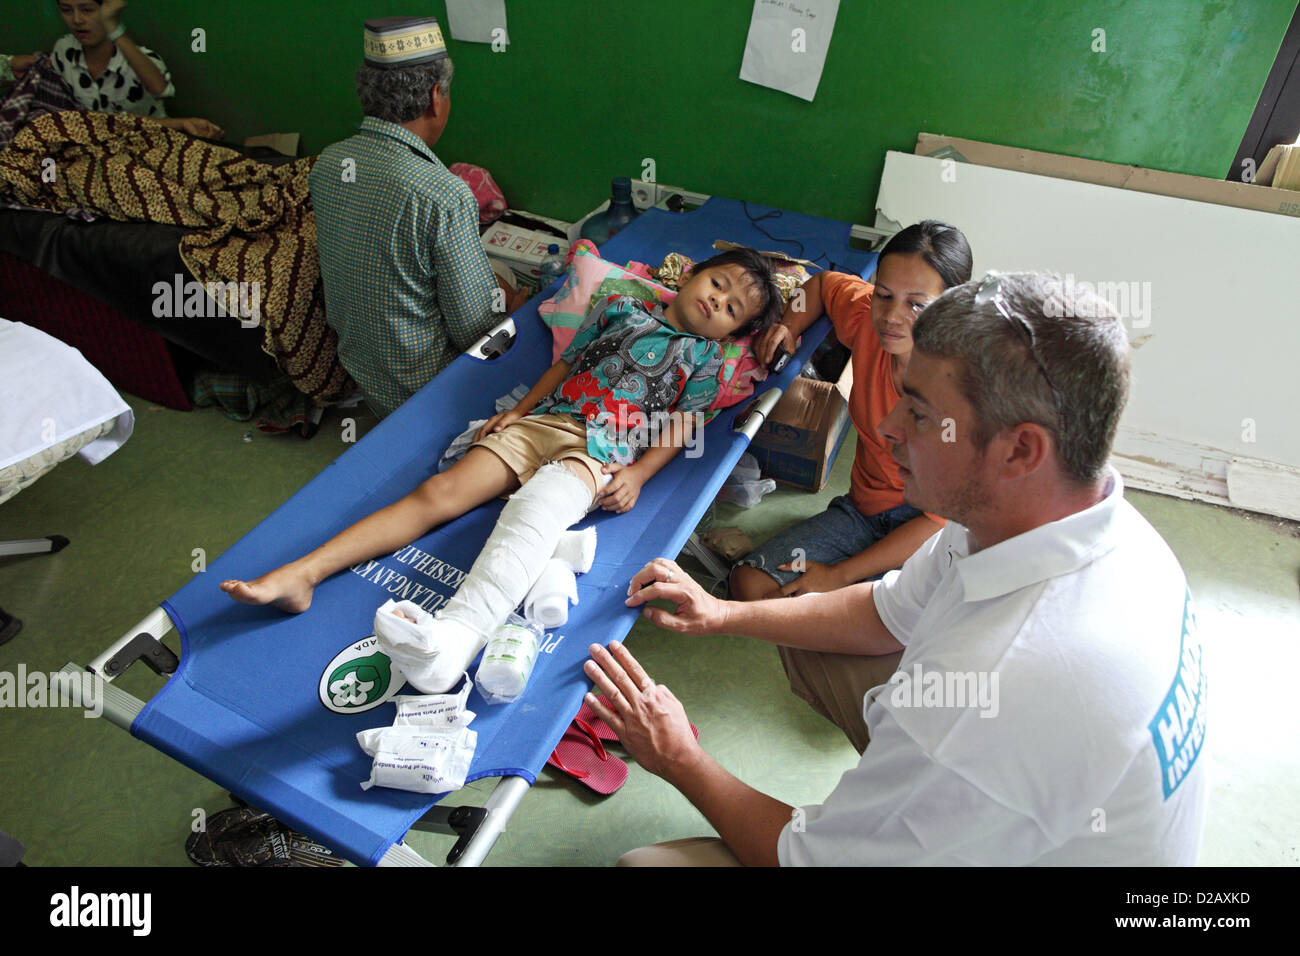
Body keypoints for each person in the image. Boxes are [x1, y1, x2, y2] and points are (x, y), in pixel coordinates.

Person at [589, 271, 1208, 866]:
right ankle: (897, 820)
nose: (884, 429)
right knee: (793, 621)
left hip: (987, 766)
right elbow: (885, 611)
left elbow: (802, 862)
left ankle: (892, 824)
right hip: (1004, 795)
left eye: (917, 412)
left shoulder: (998, 695)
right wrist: (725, 614)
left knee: (646, 865)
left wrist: (677, 754)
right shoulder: (1081, 520)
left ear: (1020, 450)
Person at [222, 248, 786, 694]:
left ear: (733, 333)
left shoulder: (709, 361)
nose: (720, 302)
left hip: (599, 452)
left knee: (535, 514)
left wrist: (638, 475)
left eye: (734, 309)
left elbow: (684, 425)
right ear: (690, 276)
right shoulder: (619, 305)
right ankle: (305, 573)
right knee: (438, 493)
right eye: (718, 284)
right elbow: (564, 362)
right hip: (544, 420)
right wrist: (518, 411)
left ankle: (454, 642)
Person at [731, 221, 972, 603]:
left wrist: (839, 575)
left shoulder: (963, 395)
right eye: (885, 295)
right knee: (750, 585)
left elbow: (938, 521)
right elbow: (824, 284)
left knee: (888, 623)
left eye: (916, 304)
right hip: (861, 513)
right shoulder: (869, 323)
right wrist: (788, 325)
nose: (891, 316)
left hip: (927, 536)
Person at [309, 15, 525, 417]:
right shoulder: (442, 194)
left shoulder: (329, 163)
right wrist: (515, 310)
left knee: (482, 275)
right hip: (428, 392)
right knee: (515, 293)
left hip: (369, 378)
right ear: (435, 97)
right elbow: (477, 334)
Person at [6, 0, 223, 139]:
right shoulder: (64, 50)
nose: (77, 20)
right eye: (66, 10)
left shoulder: (138, 60)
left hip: (144, 141)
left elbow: (160, 89)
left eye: (88, 10)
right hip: (93, 145)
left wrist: (113, 28)